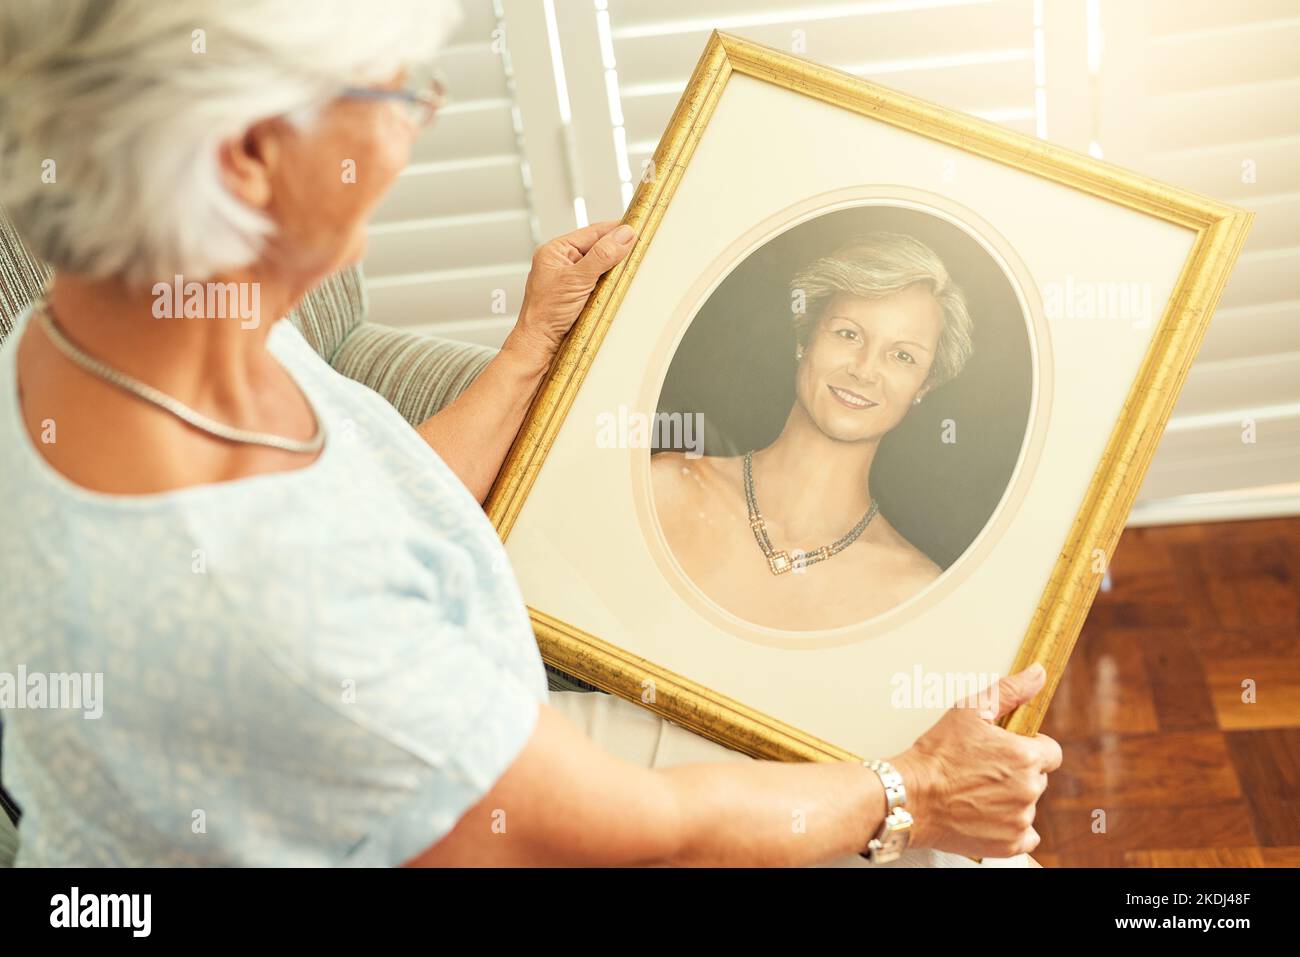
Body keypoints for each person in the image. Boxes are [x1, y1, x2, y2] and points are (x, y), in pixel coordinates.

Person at [0, 0, 1059, 866]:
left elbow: (372, 508)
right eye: (399, 88)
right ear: (249, 154)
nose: (421, 118)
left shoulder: (114, 328)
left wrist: (526, 353)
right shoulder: (286, 617)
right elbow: (644, 833)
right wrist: (907, 791)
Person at [652, 233, 974, 631]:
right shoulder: (663, 488)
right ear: (805, 338)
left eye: (902, 356)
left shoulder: (916, 596)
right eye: (848, 334)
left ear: (924, 385)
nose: (864, 369)